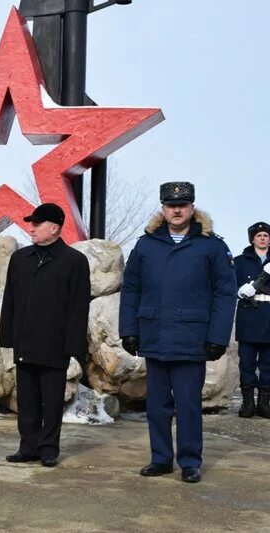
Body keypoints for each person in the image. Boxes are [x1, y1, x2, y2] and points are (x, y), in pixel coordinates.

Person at [120, 181, 236, 483]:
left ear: (192, 208)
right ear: (163, 208)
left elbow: (225, 293)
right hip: (155, 336)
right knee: (157, 405)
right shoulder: (146, 245)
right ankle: (160, 458)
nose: (176, 210)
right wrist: (129, 330)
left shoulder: (211, 246)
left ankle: (189, 461)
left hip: (191, 338)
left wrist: (217, 337)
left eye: (182, 205)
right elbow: (131, 288)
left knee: (188, 405)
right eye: (171, 205)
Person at [0, 202, 91, 468]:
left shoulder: (74, 261)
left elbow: (78, 307)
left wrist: (73, 346)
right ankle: (27, 446)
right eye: (31, 223)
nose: (32, 228)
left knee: (51, 400)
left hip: (55, 344)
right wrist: (8, 337)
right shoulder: (20, 259)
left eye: (37, 224)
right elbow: (10, 300)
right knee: (26, 400)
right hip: (25, 342)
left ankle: (49, 448)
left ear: (54, 227)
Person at [234, 221, 270, 418]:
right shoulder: (240, 261)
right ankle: (247, 404)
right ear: (252, 239)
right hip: (248, 316)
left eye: (266, 235)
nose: (262, 238)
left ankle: (264, 404)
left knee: (268, 364)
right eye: (259, 235)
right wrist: (240, 289)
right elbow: (228, 284)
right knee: (247, 362)